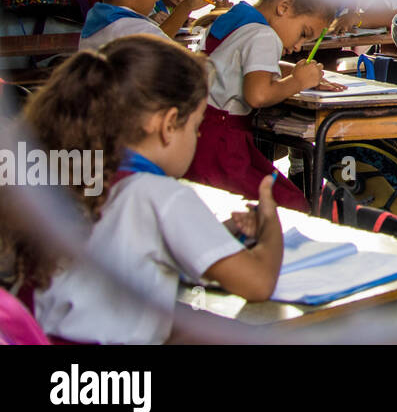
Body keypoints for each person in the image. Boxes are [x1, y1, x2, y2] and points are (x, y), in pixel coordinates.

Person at [13, 37, 283, 344]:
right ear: (168, 124)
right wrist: (270, 222)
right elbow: (258, 283)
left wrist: (221, 232)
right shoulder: (161, 195)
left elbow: (125, 243)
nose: (197, 137)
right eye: (196, 127)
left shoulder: (76, 172)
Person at [184, 0, 337, 211]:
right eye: (303, 33)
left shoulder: (235, 18)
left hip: (199, 133)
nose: (299, 46)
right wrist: (297, 82)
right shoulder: (265, 36)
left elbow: (237, 62)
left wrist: (292, 72)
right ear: (284, 6)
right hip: (222, 142)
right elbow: (258, 94)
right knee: (290, 204)